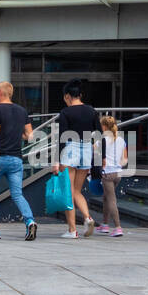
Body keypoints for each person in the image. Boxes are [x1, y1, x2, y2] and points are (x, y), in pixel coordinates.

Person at [0, 81, 38, 241]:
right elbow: (30, 135)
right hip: (16, 160)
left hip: (0, 158)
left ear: (1, 93)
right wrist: (16, 136)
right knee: (17, 194)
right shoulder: (22, 111)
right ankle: (30, 221)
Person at [53, 79, 100, 239]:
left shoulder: (65, 113)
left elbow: (61, 137)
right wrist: (101, 156)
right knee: (77, 191)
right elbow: (99, 134)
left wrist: (57, 160)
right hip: (87, 149)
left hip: (70, 149)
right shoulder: (91, 111)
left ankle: (72, 230)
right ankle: (88, 218)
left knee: (68, 191)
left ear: (67, 96)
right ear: (80, 95)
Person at [96, 115, 128, 237]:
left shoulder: (101, 139)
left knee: (111, 199)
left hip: (107, 173)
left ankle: (118, 227)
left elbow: (95, 153)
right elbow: (124, 159)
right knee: (106, 197)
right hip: (118, 173)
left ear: (104, 126)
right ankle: (104, 225)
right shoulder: (120, 140)